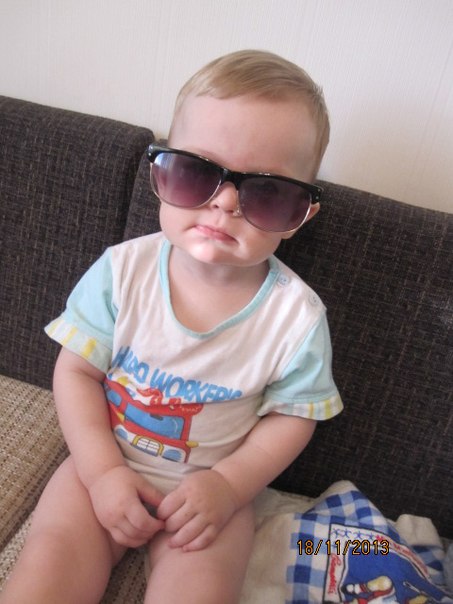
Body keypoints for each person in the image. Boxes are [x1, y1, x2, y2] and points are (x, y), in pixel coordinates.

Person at [0, 49, 343, 603]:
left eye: (267, 193)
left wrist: (228, 486)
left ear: (299, 215)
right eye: (197, 173)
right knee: (49, 564)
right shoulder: (121, 272)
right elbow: (77, 374)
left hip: (211, 497)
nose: (224, 203)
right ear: (160, 172)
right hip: (101, 465)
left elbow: (293, 417)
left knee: (202, 589)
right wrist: (102, 473)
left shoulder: (295, 318)